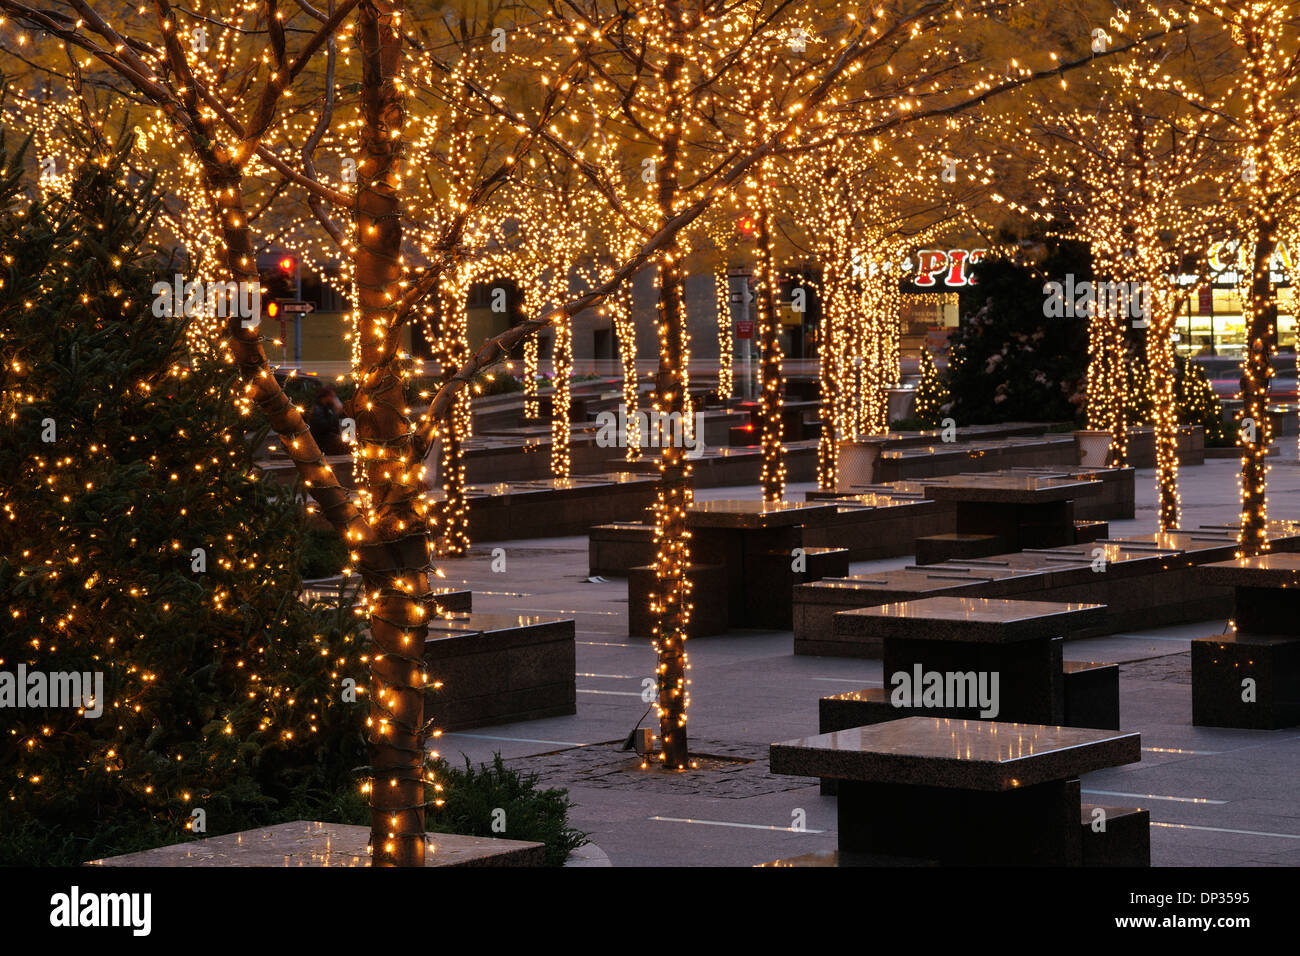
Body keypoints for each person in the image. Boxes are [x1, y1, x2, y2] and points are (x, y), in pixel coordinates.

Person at [308, 385, 348, 455]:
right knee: (342, 443)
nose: (334, 399)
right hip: (321, 442)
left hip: (327, 440)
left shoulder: (327, 408)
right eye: (332, 396)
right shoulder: (317, 409)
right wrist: (336, 413)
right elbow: (322, 427)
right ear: (326, 396)